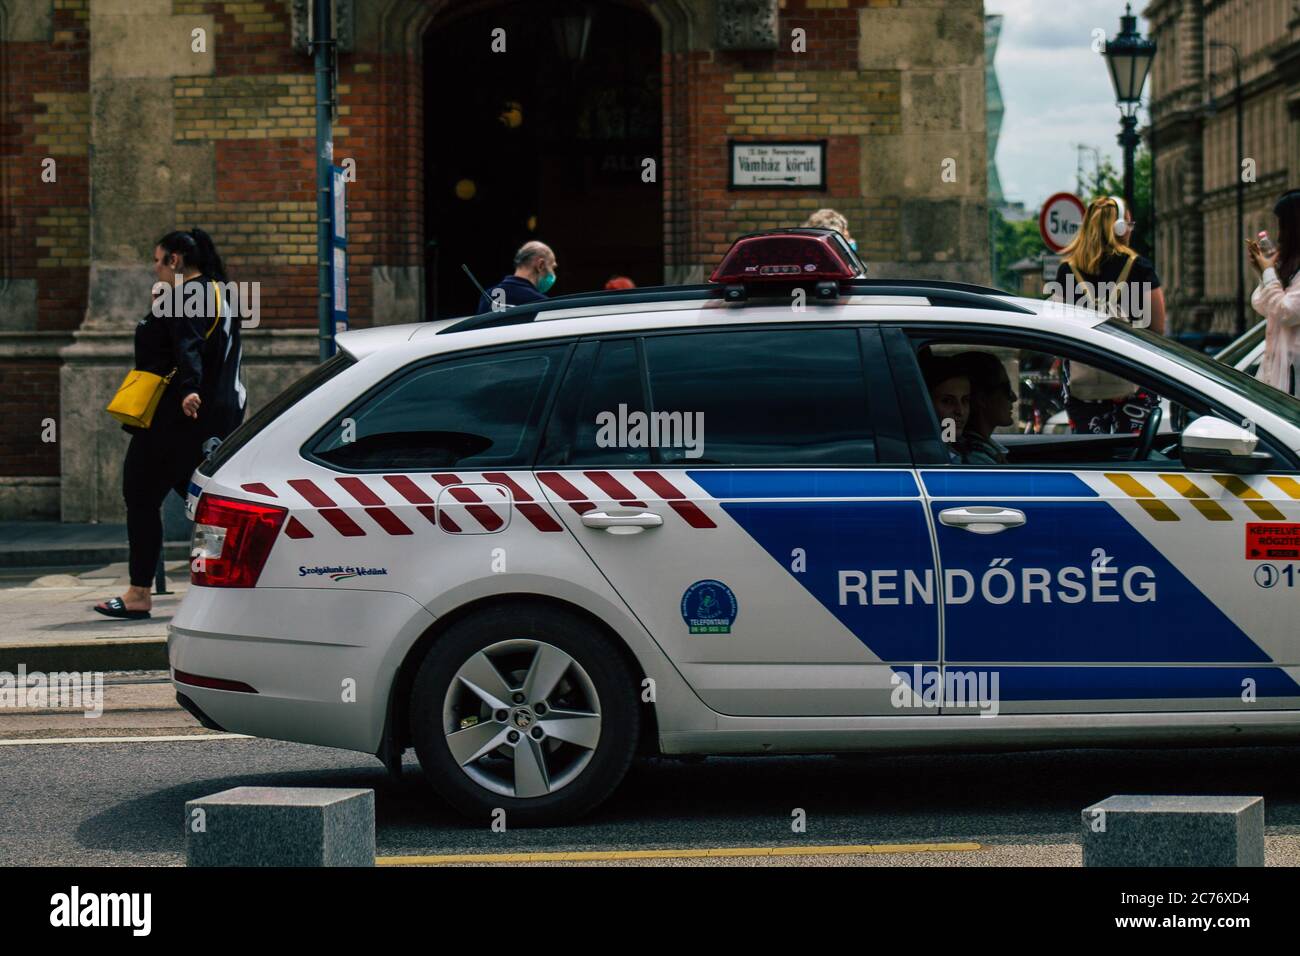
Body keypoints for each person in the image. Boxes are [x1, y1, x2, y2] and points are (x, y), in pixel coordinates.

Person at [94, 228, 245, 620]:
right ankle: (223, 588)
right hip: (216, 414)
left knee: (140, 495)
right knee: (208, 504)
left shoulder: (187, 295)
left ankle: (138, 593)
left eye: (158, 259)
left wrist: (189, 389)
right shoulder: (220, 292)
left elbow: (188, 347)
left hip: (176, 416)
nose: (155, 267)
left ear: (175, 260)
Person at [1051, 196, 1163, 434]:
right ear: (1120, 228)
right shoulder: (1139, 268)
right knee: (1131, 454)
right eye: (1129, 225)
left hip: (1083, 388)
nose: (1131, 230)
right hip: (1133, 377)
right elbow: (1157, 330)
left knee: (1090, 451)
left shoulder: (1067, 270)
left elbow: (1057, 328)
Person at [1246, 189, 1300, 397]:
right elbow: (1260, 303)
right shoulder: (1291, 268)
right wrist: (1265, 272)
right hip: (1277, 381)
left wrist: (1268, 272)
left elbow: (1286, 312)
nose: (1279, 235)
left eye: (1282, 226)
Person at [954, 351, 1014, 464]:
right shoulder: (976, 458)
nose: (1014, 397)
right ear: (982, 399)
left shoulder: (985, 450)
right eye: (1006, 388)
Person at [475, 241, 557, 314]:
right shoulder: (541, 303)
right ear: (541, 265)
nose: (553, 274)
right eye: (552, 267)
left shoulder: (488, 295)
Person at [920, 354, 970, 461]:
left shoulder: (954, 449)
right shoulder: (928, 457)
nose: (960, 411)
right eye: (947, 401)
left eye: (965, 400)